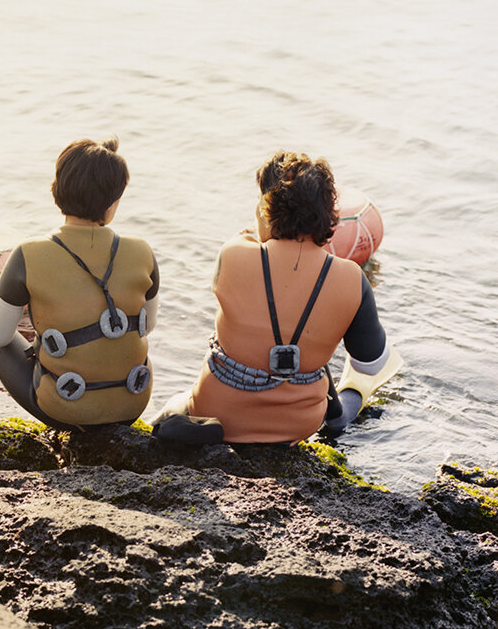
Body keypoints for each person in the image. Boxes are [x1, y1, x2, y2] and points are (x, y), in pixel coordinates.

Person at [0, 136, 159, 433]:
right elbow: (146, 325)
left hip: (66, 408)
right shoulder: (143, 252)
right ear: (113, 203)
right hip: (131, 405)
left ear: (56, 189)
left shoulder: (29, 254)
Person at [157, 150, 393, 443]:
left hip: (218, 410)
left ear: (265, 208)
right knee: (343, 390)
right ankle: (342, 410)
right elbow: (369, 363)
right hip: (298, 424)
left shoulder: (233, 254)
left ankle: (177, 424)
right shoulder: (352, 278)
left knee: (174, 407)